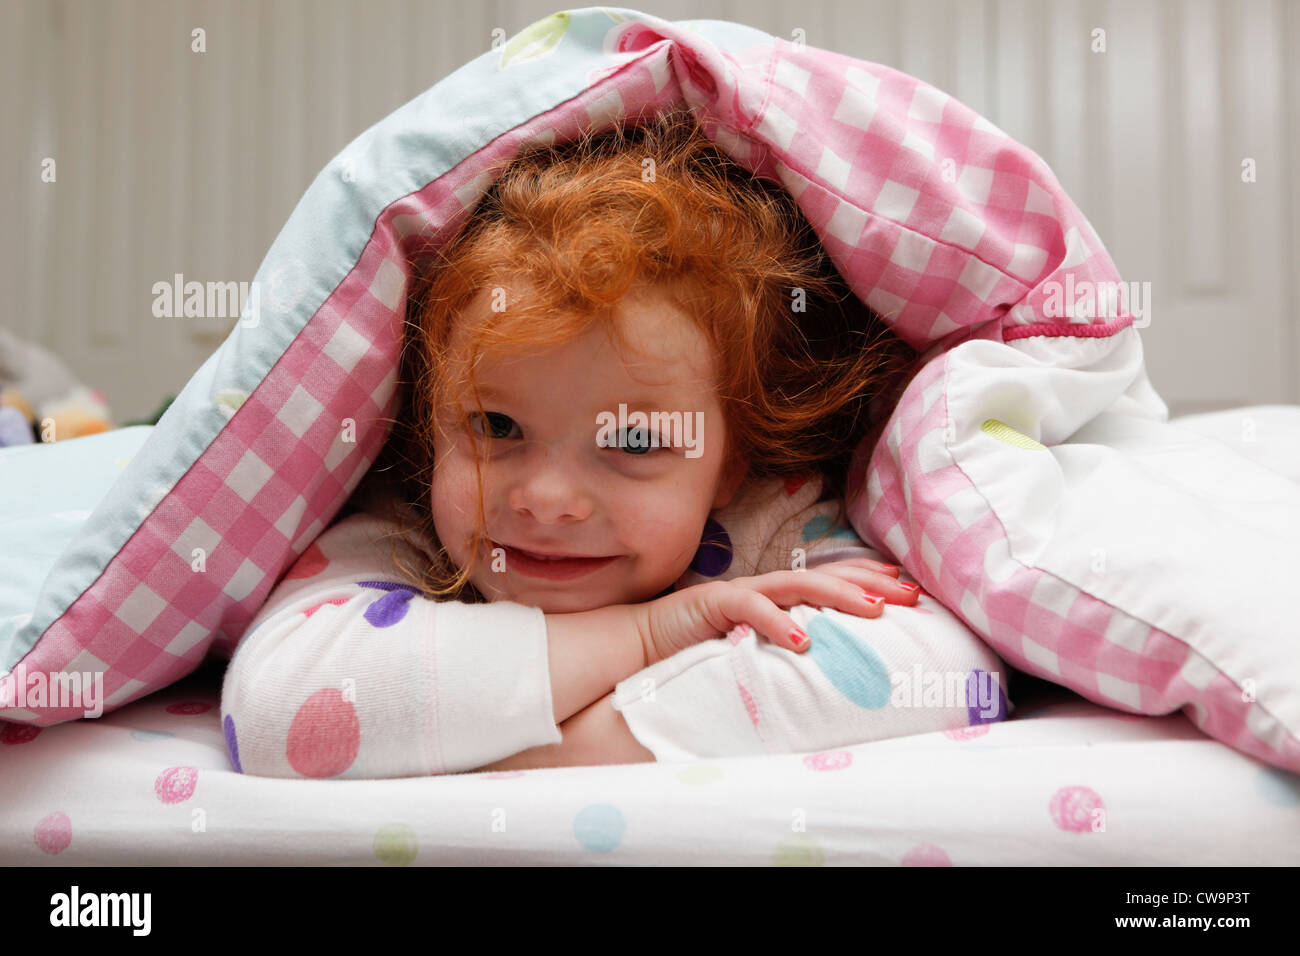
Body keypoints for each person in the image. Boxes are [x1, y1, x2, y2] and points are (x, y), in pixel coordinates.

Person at [219, 108, 1008, 779]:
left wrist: (537, 752)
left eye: (634, 439)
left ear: (731, 459)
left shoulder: (773, 524)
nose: (548, 499)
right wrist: (646, 633)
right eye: (496, 427)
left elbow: (949, 675)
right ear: (431, 424)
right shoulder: (407, 537)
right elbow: (278, 711)